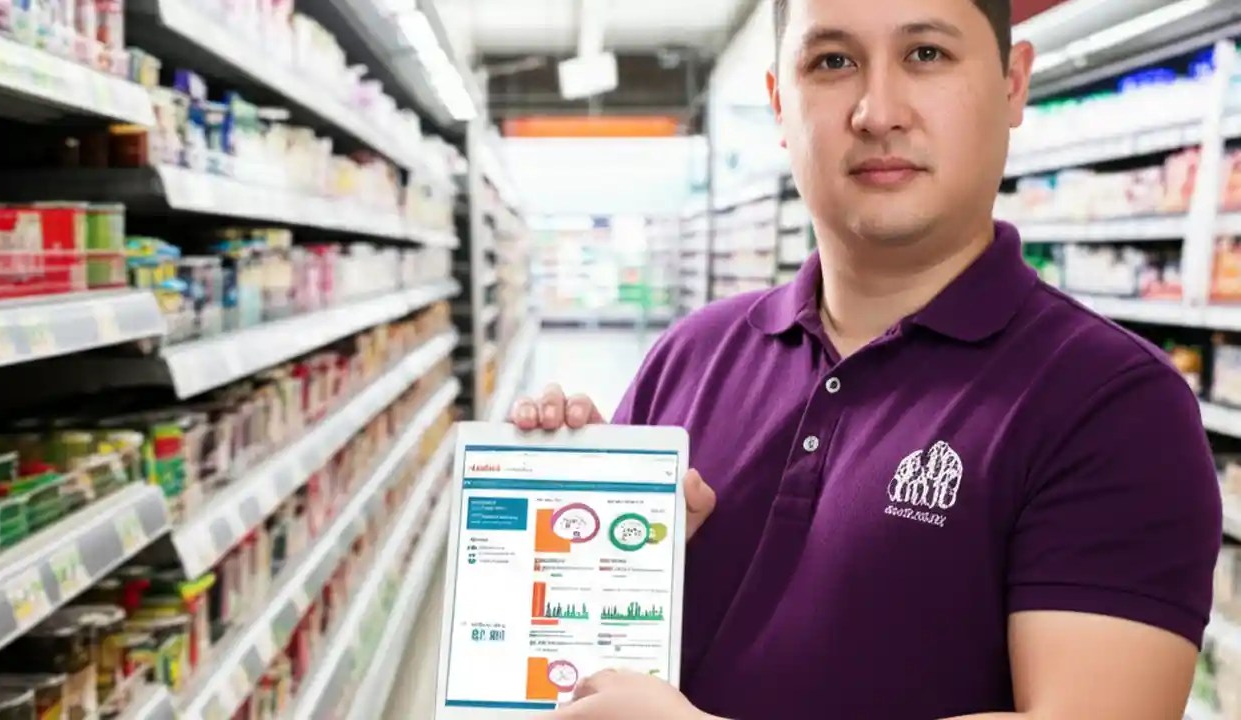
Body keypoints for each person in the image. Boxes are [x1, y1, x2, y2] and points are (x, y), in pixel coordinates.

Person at [513, 0, 1224, 717]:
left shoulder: (1115, 406)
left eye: (925, 55)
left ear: (1012, 85)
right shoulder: (687, 358)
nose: (877, 112)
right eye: (832, 62)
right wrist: (579, 551)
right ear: (779, 105)